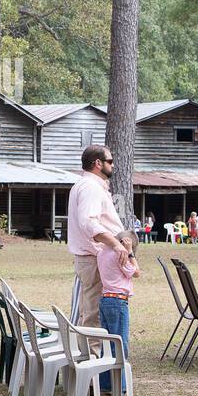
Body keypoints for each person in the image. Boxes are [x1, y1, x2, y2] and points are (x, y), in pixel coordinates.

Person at [68, 145, 128, 348]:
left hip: (94, 260)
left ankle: (89, 368)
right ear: (98, 163)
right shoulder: (90, 187)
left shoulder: (88, 185)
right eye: (110, 161)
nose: (113, 164)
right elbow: (89, 222)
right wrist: (116, 245)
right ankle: (90, 372)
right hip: (95, 260)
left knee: (90, 313)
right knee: (94, 316)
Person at [97, 229, 139, 393]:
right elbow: (136, 272)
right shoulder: (119, 255)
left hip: (105, 298)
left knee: (107, 344)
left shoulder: (102, 252)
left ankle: (105, 384)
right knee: (120, 344)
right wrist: (129, 253)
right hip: (118, 301)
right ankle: (119, 387)